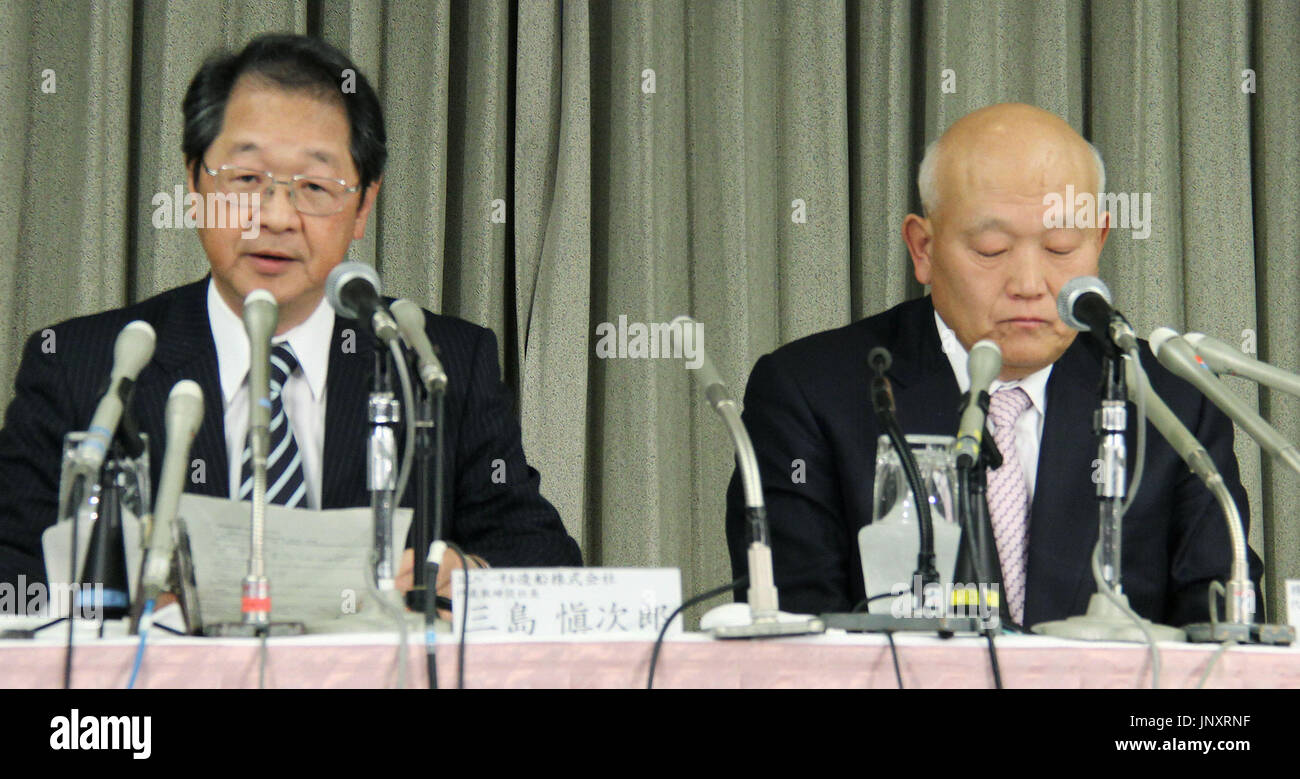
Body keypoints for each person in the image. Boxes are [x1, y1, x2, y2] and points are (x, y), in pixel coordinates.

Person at [0, 34, 582, 596]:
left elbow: (543, 558)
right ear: (195, 184)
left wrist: (466, 570)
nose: (276, 216)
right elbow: (12, 575)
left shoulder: (434, 364)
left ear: (363, 206)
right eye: (247, 179)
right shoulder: (84, 368)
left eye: (314, 185)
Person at [725, 103, 1261, 629]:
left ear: (1098, 242)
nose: (1029, 284)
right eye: (990, 249)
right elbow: (796, 636)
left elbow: (1220, 623)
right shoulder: (811, 392)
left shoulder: (1169, 399)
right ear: (923, 248)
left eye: (1060, 247)